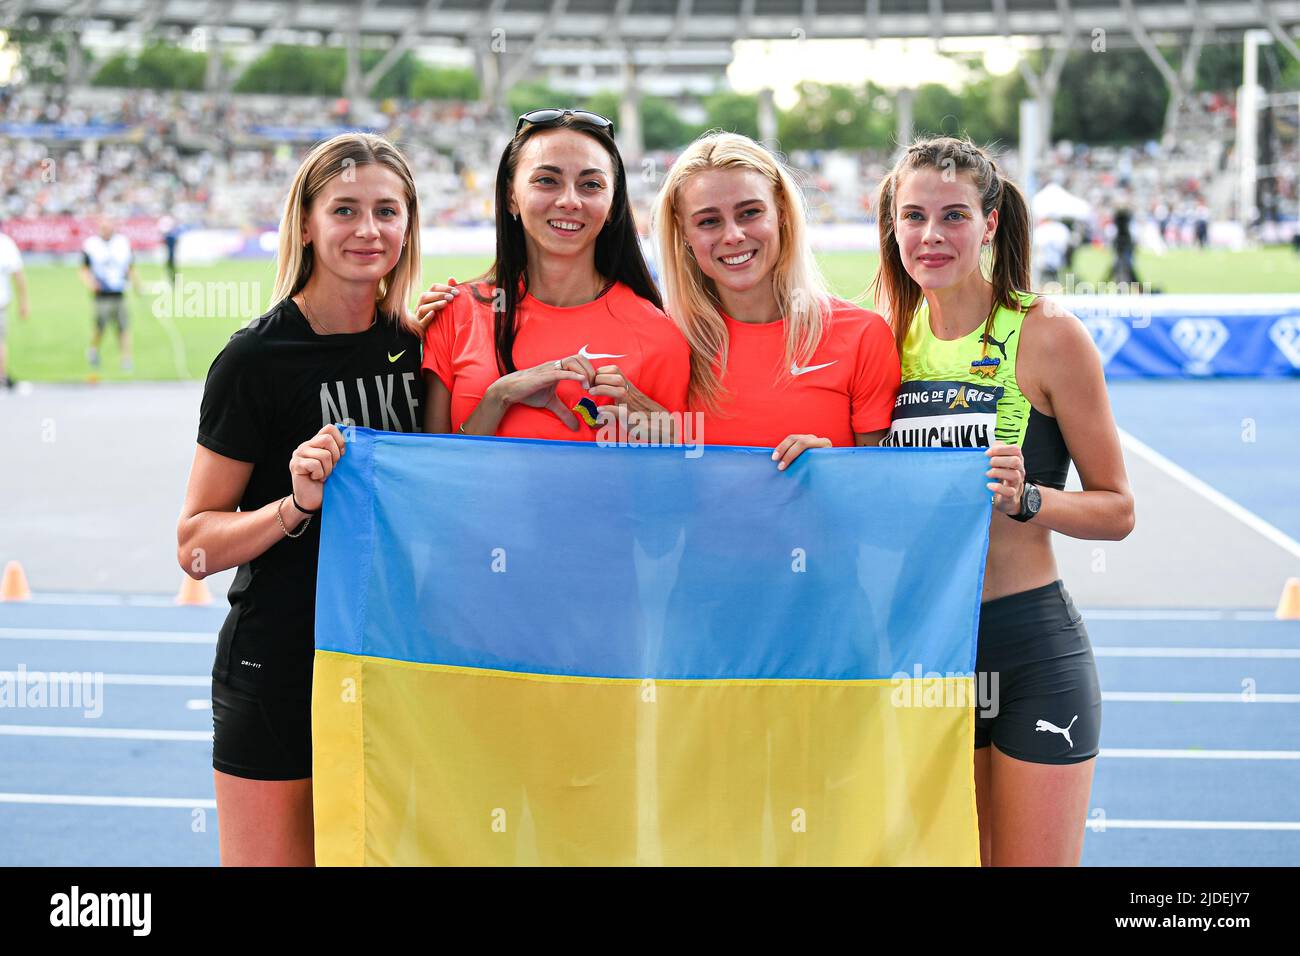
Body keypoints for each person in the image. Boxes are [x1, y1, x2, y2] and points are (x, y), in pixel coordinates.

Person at [873, 136, 1135, 866]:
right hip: (923, 648)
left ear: (989, 223)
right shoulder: (877, 339)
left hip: (1031, 647)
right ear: (891, 226)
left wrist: (1030, 501)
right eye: (914, 216)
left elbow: (1117, 508)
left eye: (953, 216)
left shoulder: (1048, 335)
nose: (931, 236)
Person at [177, 133, 426, 866]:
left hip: (392, 665)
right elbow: (193, 546)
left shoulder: (421, 350)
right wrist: (294, 505)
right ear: (308, 223)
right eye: (344, 210)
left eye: (387, 210)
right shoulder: (254, 360)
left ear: (409, 225)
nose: (368, 230)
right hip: (278, 665)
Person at [419, 130, 900, 463]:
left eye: (750, 213)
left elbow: (882, 499)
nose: (733, 235)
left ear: (783, 217)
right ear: (683, 236)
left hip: (826, 594)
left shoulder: (861, 336)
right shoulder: (678, 338)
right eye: (709, 220)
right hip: (701, 596)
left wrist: (835, 474)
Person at [418, 109, 690, 440]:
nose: (569, 200)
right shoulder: (454, 315)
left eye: (591, 184)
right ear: (510, 197)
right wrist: (497, 398)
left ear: (613, 205)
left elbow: (676, 473)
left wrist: (672, 440)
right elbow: (431, 471)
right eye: (547, 180)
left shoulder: (659, 336)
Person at [80, 216, 139, 372]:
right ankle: (93, 350)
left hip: (118, 292)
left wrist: (136, 284)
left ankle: (126, 359)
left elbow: (130, 266)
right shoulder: (92, 245)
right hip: (102, 294)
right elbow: (84, 269)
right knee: (100, 327)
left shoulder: (122, 243)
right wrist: (91, 284)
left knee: (123, 327)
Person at [0, 224, 29, 389]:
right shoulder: (5, 244)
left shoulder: (6, 244)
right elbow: (18, 274)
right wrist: (23, 301)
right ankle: (2, 376)